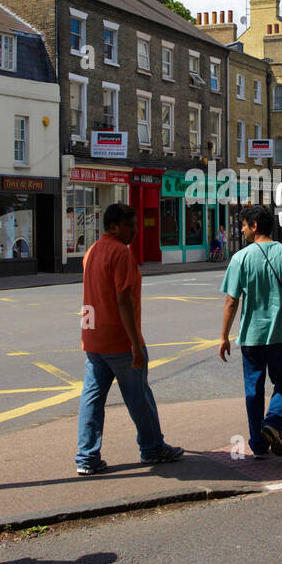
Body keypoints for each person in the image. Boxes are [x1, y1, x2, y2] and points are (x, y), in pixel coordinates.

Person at [76, 203, 184, 475]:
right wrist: (136, 344)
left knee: (92, 398)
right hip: (119, 339)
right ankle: (152, 448)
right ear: (113, 226)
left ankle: (87, 457)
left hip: (93, 337)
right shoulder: (120, 253)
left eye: (135, 224)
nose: (135, 230)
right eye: (129, 225)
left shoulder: (91, 251)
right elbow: (123, 300)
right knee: (139, 397)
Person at [219, 205, 282, 458]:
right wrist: (281, 302)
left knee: (253, 390)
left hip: (251, 336)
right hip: (281, 334)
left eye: (244, 225)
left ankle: (258, 445)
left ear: (255, 226)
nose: (242, 229)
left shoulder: (241, 258)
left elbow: (231, 301)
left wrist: (224, 336)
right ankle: (274, 420)